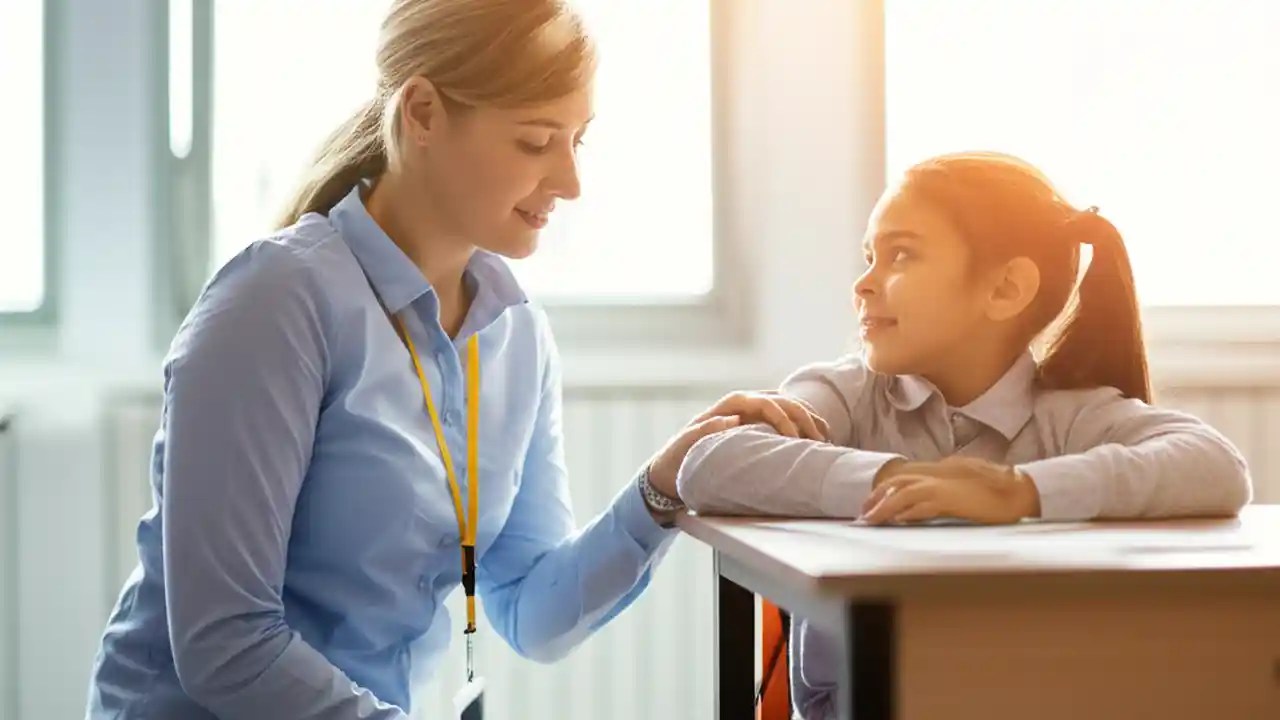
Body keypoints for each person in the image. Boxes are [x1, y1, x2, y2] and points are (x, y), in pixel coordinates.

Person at [83, 1, 828, 717]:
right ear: (424, 114)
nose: (570, 182)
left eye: (578, 140)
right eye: (536, 142)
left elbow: (534, 613)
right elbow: (225, 643)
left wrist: (663, 489)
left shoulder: (516, 337)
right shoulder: (277, 302)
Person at [675, 151, 1253, 719]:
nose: (863, 284)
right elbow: (710, 461)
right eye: (869, 255)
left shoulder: (1068, 416)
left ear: (1005, 289)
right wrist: (895, 480)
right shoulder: (846, 396)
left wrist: (1018, 491)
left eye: (900, 255)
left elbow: (1215, 465)